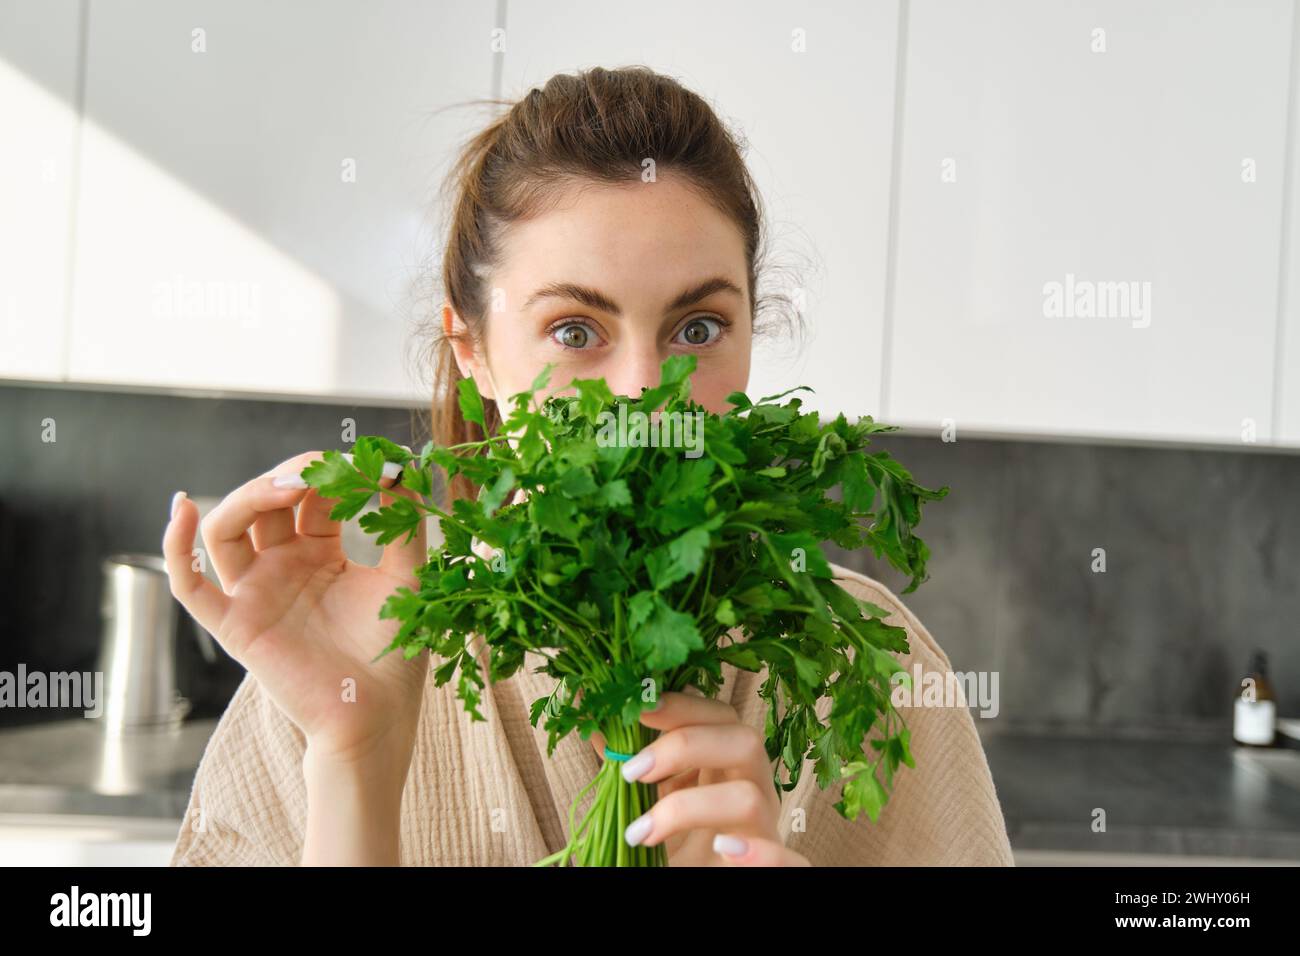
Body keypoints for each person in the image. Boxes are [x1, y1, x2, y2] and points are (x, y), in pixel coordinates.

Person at [162, 65, 1014, 867]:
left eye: (698, 329)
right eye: (575, 331)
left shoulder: (871, 667)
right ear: (475, 353)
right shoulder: (333, 674)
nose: (646, 397)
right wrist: (355, 756)